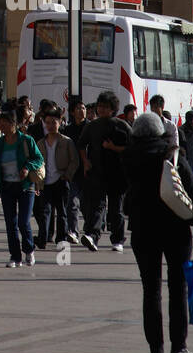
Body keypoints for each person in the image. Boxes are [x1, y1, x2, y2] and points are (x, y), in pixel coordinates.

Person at [123, 112, 193, 353]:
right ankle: (179, 345)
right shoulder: (173, 155)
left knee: (151, 289)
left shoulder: (129, 157)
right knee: (178, 286)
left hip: (143, 231)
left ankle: (156, 349)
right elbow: (191, 195)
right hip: (176, 230)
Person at [0, 109, 45, 267]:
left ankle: (29, 250)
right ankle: (15, 256)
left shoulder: (26, 140)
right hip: (7, 187)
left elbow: (39, 159)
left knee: (23, 221)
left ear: (13, 123)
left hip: (25, 187)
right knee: (10, 223)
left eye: (5, 123)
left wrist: (27, 167)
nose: (1, 126)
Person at [79, 90, 131, 252]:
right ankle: (92, 236)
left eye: (105, 107)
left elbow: (133, 147)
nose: (101, 110)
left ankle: (118, 240)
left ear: (113, 109)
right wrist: (86, 162)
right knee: (97, 206)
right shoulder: (92, 126)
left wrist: (113, 148)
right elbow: (81, 145)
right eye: (99, 106)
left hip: (118, 174)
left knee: (116, 209)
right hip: (97, 172)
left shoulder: (122, 125)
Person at [34, 106, 79, 248]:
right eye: (48, 123)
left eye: (54, 122)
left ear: (60, 123)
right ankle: (43, 238)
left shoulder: (66, 141)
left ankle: (61, 238)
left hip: (61, 180)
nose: (51, 126)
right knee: (45, 211)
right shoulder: (40, 143)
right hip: (45, 182)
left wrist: (67, 175)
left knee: (62, 212)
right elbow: (35, 161)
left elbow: (74, 160)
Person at [62, 99, 87, 243]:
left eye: (83, 108)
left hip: (88, 170)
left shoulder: (91, 127)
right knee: (72, 202)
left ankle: (91, 230)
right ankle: (73, 231)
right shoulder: (68, 130)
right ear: (72, 112)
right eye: (78, 108)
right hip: (73, 171)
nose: (81, 110)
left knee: (86, 205)